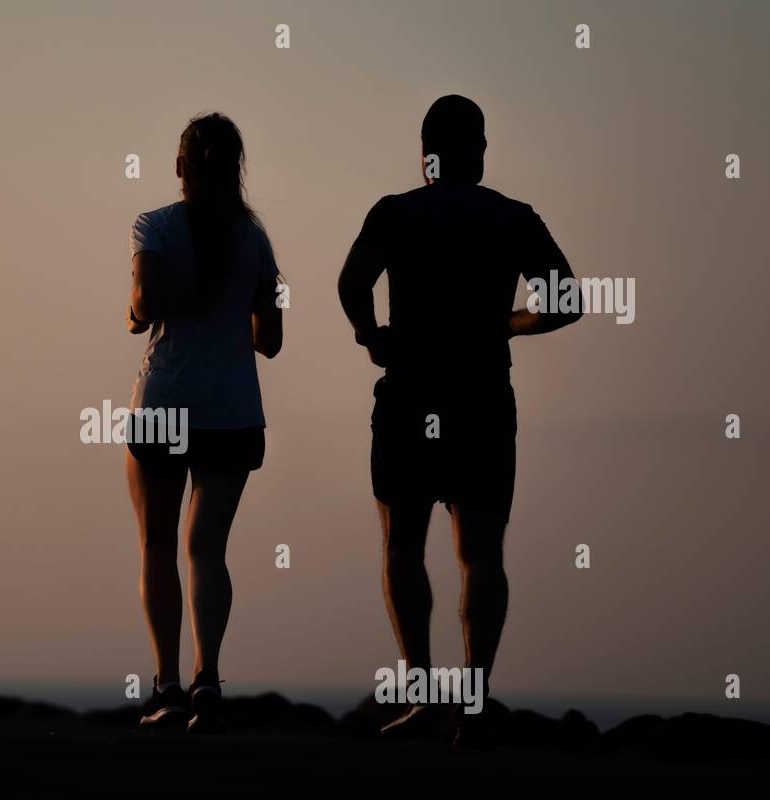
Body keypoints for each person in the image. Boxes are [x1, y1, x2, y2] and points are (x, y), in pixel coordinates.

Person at [337, 95, 579, 746]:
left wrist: (371, 335)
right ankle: (472, 703)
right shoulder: (512, 218)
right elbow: (565, 300)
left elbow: (351, 282)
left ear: (425, 156)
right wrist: (505, 324)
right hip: (481, 397)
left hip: (411, 392)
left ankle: (420, 694)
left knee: (402, 546)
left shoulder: (396, 213)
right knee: (480, 556)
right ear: (479, 153)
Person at [125, 112, 283, 734]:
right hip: (233, 410)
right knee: (207, 550)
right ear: (236, 169)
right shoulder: (256, 240)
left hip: (165, 401)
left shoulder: (155, 227)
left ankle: (165, 686)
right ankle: (208, 677)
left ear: (180, 166)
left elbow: (144, 304)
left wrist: (138, 314)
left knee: (157, 545)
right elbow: (269, 339)